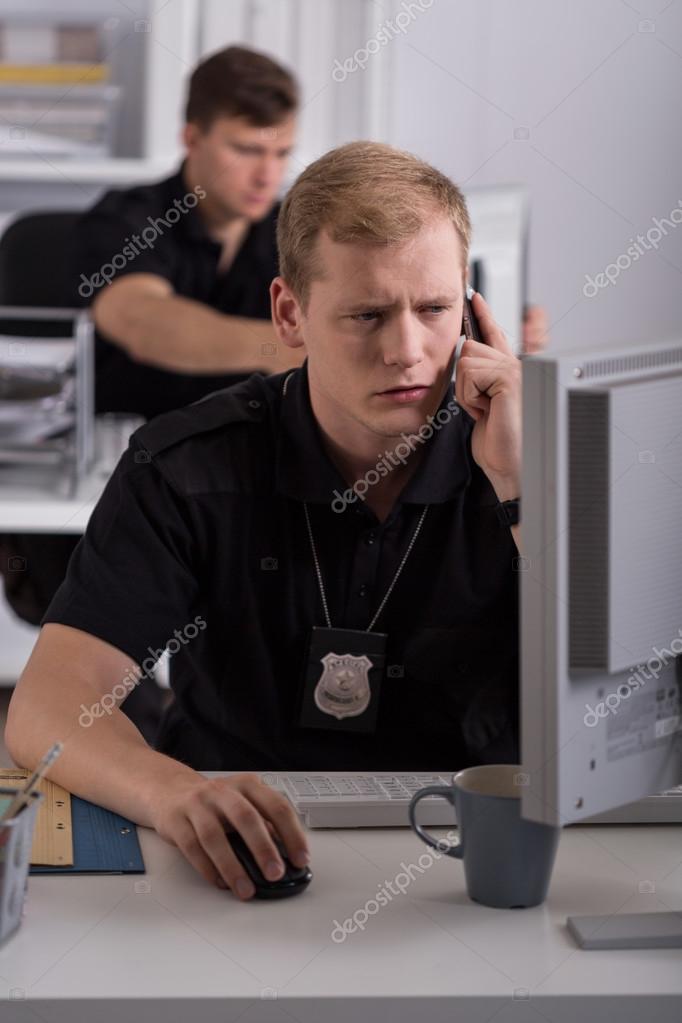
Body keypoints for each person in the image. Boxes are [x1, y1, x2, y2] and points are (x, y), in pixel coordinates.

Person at [7, 140, 527, 900]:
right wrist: (171, 790)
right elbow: (46, 706)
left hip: (472, 856)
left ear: (473, 311)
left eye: (435, 309)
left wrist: (522, 486)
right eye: (368, 314)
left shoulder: (528, 453)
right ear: (290, 314)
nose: (407, 351)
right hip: (236, 852)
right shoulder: (187, 465)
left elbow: (620, 705)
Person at [0, 45, 303, 739]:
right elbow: (144, 324)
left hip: (232, 476)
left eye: (282, 152)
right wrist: (299, 342)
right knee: (108, 676)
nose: (268, 173)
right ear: (192, 137)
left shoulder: (293, 234)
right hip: (101, 478)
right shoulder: (126, 218)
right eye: (247, 149)